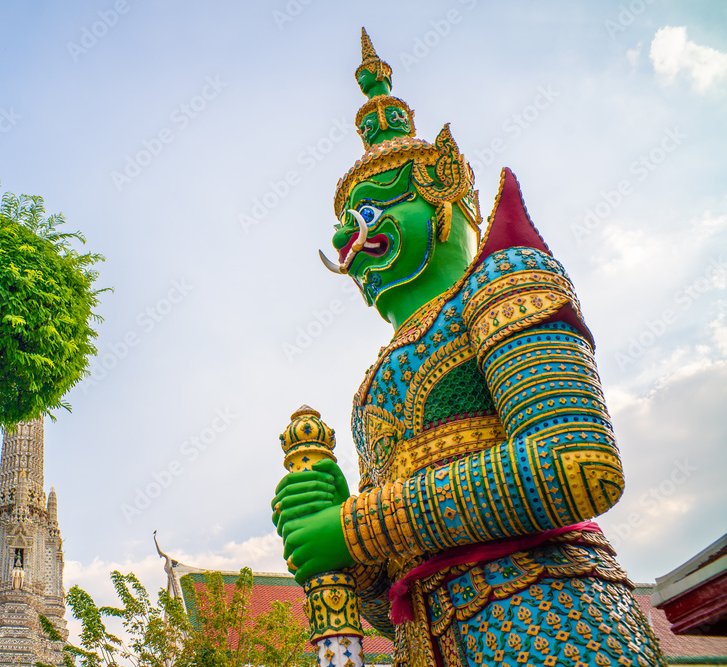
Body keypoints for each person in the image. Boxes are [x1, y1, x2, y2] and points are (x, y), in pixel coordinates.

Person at [271, 29, 666, 667]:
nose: (351, 240)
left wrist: (354, 526)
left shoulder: (504, 280)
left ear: (445, 199)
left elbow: (577, 463)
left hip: (557, 625)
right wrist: (344, 554)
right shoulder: (373, 388)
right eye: (346, 226)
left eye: (371, 212)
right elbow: (399, 592)